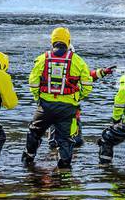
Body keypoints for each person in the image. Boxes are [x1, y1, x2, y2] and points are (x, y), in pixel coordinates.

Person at [22, 26, 93, 170]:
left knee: (34, 132)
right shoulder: (78, 61)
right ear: (68, 41)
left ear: (52, 41)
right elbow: (87, 84)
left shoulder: (42, 59)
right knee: (65, 139)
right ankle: (64, 169)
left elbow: (33, 81)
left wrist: (38, 98)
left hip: (45, 106)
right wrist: (77, 97)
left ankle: (27, 161)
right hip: (67, 108)